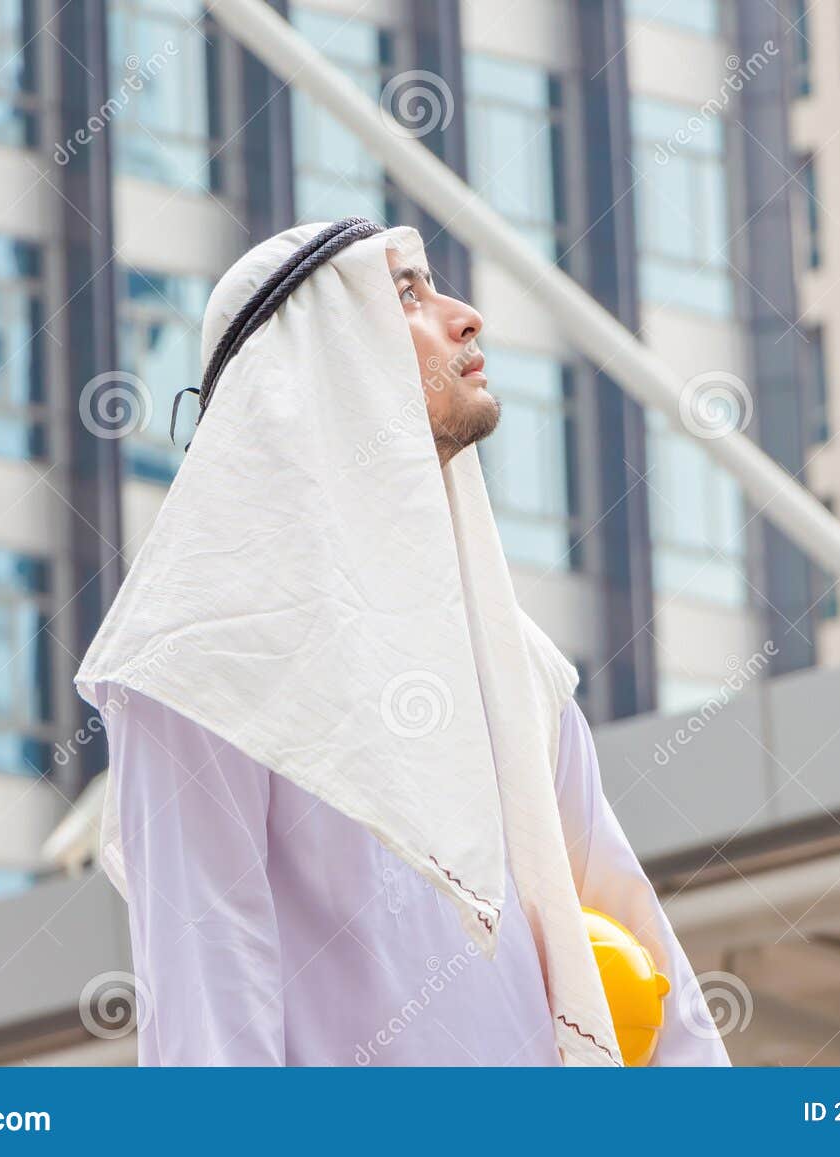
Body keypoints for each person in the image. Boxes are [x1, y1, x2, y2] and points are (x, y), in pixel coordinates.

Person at [74, 220, 730, 1067]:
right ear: (319, 360)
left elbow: (638, 949)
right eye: (408, 292)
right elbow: (212, 1011)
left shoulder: (513, 658)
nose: (465, 316)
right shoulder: (201, 657)